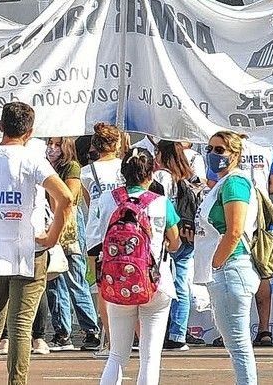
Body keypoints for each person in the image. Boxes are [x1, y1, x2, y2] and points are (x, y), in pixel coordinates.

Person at [0, 102, 71, 385]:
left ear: (0, 126)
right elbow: (66, 198)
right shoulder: (33, 159)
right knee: (21, 326)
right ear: (30, 131)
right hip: (29, 247)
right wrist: (52, 235)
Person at [89, 148, 180, 385]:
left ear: (123, 172)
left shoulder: (108, 199)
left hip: (117, 282)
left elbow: (99, 236)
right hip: (155, 282)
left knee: (117, 355)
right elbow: (175, 241)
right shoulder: (161, 203)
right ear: (151, 174)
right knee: (150, 357)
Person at [194, 130, 260, 385]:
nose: (212, 154)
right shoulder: (222, 184)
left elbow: (234, 231)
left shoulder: (235, 182)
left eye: (219, 150)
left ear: (235, 154)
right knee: (235, 342)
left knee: (238, 342)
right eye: (210, 149)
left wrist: (216, 263)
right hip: (224, 269)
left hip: (231, 268)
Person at [207, 136, 273, 347]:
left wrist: (214, 264)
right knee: (261, 265)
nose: (212, 153)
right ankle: (264, 328)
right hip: (260, 211)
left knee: (236, 271)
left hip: (235, 209)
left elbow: (212, 181)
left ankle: (229, 331)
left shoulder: (232, 174)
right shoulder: (267, 147)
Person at [43, 137, 100, 352]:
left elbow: (71, 196)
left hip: (70, 229)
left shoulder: (72, 167)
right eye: (50, 143)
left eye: (57, 144)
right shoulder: (45, 166)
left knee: (76, 281)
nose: (52, 148)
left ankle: (90, 330)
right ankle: (62, 333)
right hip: (50, 225)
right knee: (54, 282)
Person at [79, 123, 124, 354]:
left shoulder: (86, 172)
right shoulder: (124, 168)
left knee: (103, 288)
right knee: (125, 281)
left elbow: (89, 203)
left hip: (96, 233)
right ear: (117, 144)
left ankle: (110, 340)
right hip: (124, 231)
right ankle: (129, 337)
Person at [152, 140, 201, 351]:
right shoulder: (187, 178)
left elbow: (157, 205)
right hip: (187, 233)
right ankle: (178, 333)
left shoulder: (161, 176)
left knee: (163, 284)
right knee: (182, 283)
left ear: (162, 155)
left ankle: (165, 332)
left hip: (169, 234)